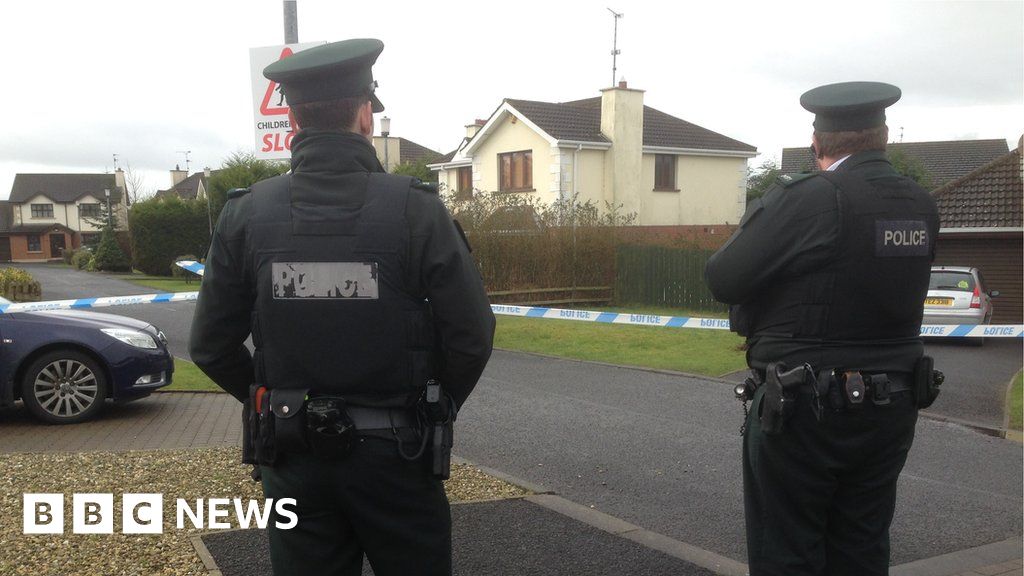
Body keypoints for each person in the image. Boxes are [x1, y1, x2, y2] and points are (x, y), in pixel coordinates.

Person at [188, 38, 495, 576]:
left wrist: (277, 402)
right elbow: (470, 335)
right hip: (399, 454)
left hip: (293, 454)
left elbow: (210, 347)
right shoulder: (417, 211)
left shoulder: (245, 214)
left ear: (293, 118)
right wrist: (434, 405)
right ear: (364, 115)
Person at [705, 82, 940, 576]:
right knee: (862, 545)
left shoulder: (811, 199)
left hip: (807, 407)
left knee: (787, 549)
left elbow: (723, 278)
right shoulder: (920, 204)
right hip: (893, 403)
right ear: (883, 138)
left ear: (817, 143)